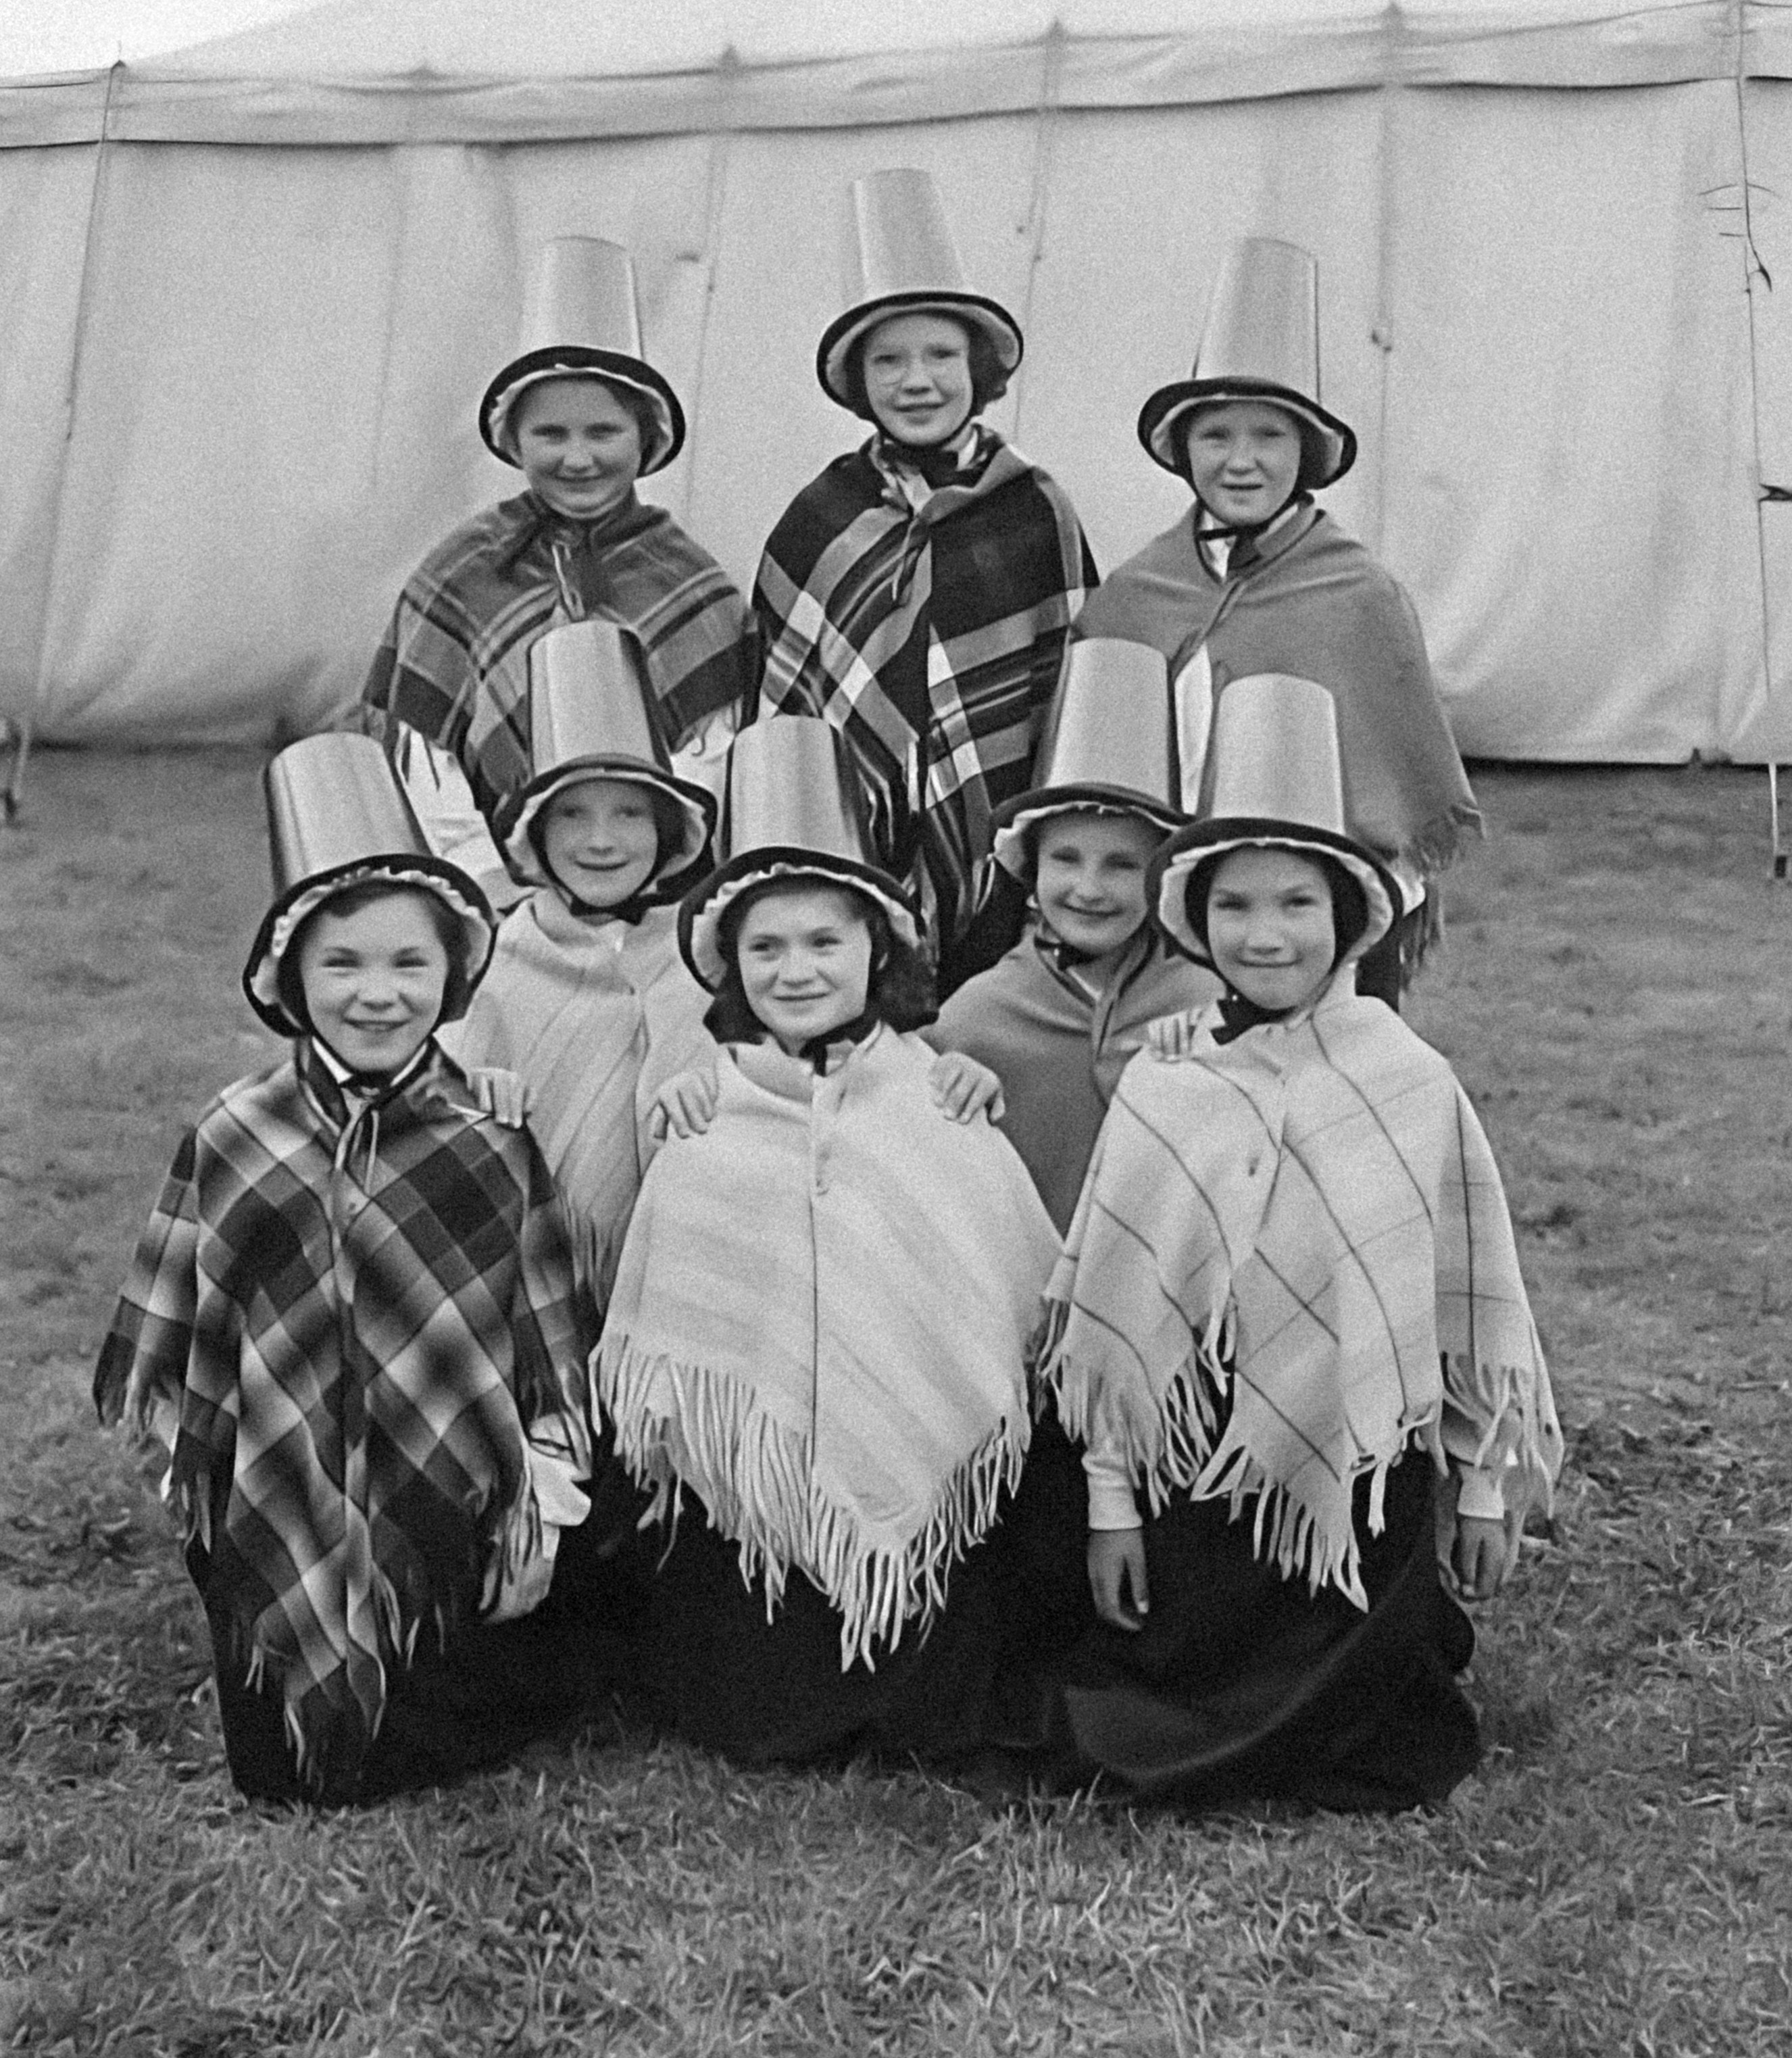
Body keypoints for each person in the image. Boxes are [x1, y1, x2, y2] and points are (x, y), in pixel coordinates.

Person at [1020, 676, 1561, 1810]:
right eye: (1236, 908)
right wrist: (1113, 1505)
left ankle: (1345, 1675)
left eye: (1294, 904)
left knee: (1389, 1728)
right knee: (1131, 1716)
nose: (1265, 936)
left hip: (1359, 1479)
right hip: (1206, 1488)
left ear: (1348, 917)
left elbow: (1463, 1310)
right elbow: (1121, 1336)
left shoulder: (1408, 1083)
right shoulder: (1167, 1085)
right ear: (1198, 923)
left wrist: (1477, 1492)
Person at [93, 734, 597, 1806]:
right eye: (343, 964)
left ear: (452, 975)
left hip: (439, 1510)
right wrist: (212, 1472)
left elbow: (546, 1349)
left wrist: (538, 1504)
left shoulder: (490, 1142)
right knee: (284, 1777)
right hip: (271, 1499)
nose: (378, 995)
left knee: (438, 1732)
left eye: (409, 964)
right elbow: (188, 1345)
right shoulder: (236, 1134)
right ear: (290, 980)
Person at [584, 716, 1060, 1767]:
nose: (797, 971)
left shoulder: (939, 1100)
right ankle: (777, 1677)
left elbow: (1008, 1292)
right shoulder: (705, 1118)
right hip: (758, 1534)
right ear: (732, 967)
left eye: (824, 942)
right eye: (767, 947)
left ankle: (916, 1663)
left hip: (928, 1524)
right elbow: (675, 1329)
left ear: (875, 950)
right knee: (745, 1646)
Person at [1071, 237, 1479, 1004]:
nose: (1241, 461)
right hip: (1167, 931)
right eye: (1216, 435)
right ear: (1183, 450)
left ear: (1306, 450)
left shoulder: (1359, 598)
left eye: (1269, 435)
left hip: (1313, 929)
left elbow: (1395, 792)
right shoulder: (1134, 596)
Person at [755, 169, 1095, 992]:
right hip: (858, 858)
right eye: (890, 360)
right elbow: (788, 713)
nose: (918, 380)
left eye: (941, 354)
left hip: (997, 850)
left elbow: (1070, 692)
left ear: (980, 368)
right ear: (860, 382)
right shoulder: (822, 518)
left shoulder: (1035, 511)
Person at [358, 237, 754, 896]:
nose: (578, 459)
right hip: (496, 900)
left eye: (603, 433)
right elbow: (419, 747)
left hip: (661, 896)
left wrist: (656, 876)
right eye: (552, 435)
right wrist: (484, 877)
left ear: (646, 439)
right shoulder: (467, 571)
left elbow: (714, 750)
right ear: (515, 440)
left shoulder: (688, 583)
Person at [447, 618, 717, 1308]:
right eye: (572, 815)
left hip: (685, 1288)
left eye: (629, 813)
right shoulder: (500, 971)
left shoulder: (705, 962)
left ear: (666, 830)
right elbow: (444, 1115)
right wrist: (476, 1095)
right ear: (537, 833)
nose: (602, 841)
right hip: (538, 1293)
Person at [930, 636, 1219, 1236]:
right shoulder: (979, 1015)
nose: (1089, 887)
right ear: (1031, 871)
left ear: (1162, 875)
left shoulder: (1207, 1000)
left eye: (1121, 864)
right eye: (1066, 858)